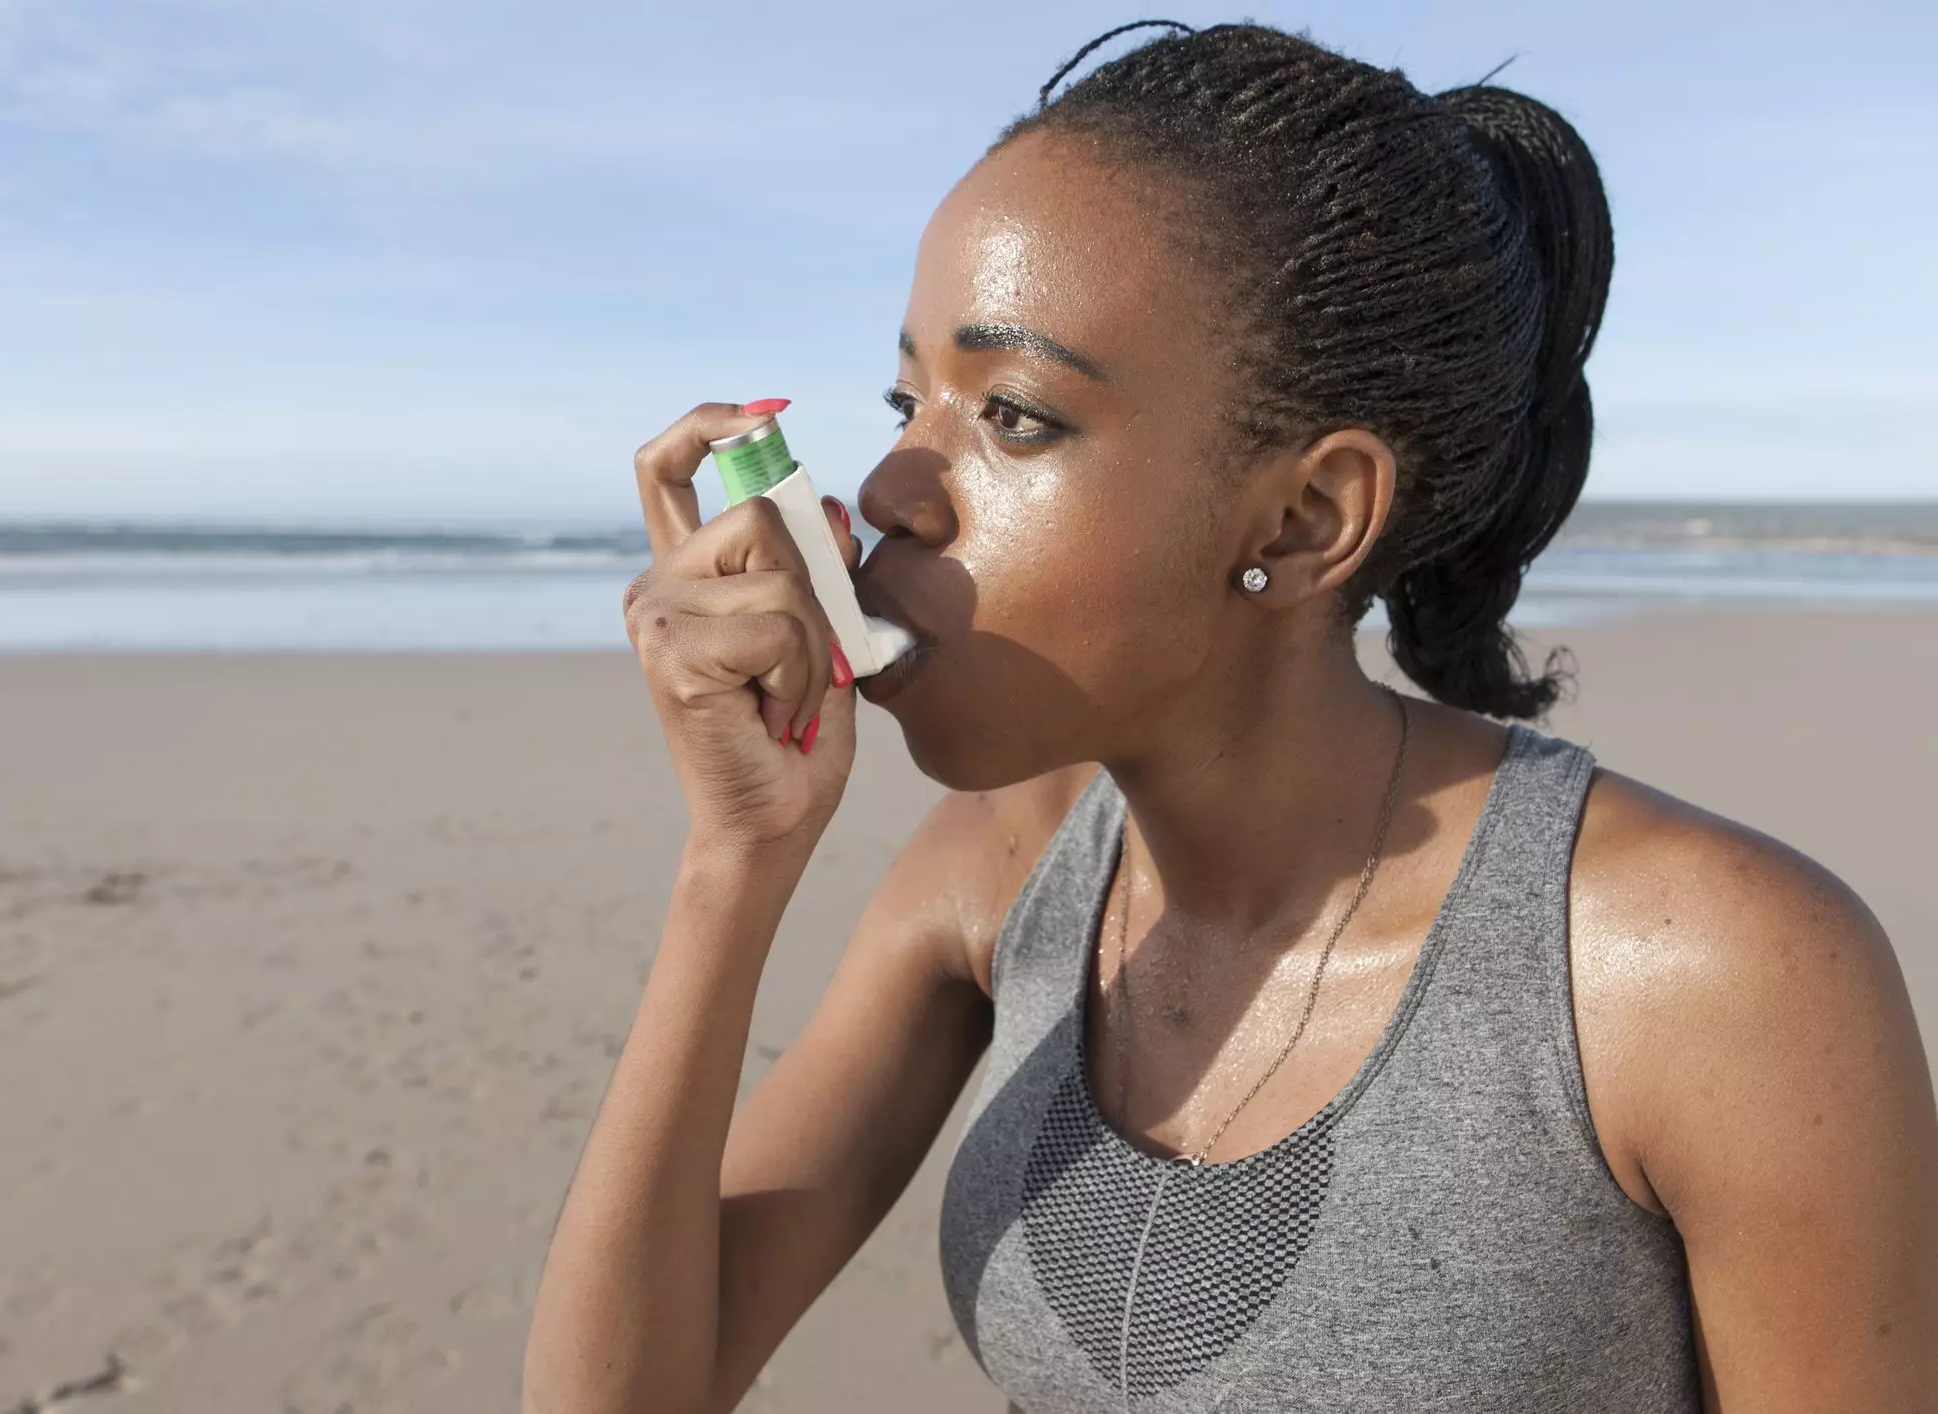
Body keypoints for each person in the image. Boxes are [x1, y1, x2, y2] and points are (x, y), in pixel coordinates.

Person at [522, 21, 1937, 1413]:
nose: (890, 487)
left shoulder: (1708, 976)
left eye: (1013, 415)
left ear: (1308, 516)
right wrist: (736, 857)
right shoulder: (990, 882)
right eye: (908, 396)